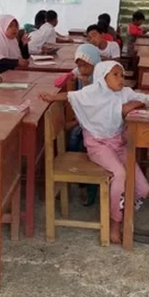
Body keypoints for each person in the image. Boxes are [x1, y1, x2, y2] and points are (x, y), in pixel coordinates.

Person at [41, 61, 149, 244]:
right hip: (97, 145)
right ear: (102, 77)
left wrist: (129, 106)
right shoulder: (92, 93)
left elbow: (143, 97)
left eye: (122, 75)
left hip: (118, 143)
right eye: (115, 75)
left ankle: (121, 210)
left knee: (143, 189)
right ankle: (115, 223)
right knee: (120, 174)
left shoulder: (124, 93)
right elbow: (70, 96)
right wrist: (52, 97)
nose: (120, 79)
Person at [53, 43, 103, 206]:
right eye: (79, 65)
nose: (82, 69)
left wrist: (86, 84)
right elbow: (58, 82)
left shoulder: (100, 79)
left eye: (86, 65)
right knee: (73, 140)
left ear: (95, 63)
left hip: (99, 125)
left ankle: (88, 188)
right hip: (84, 121)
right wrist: (70, 75)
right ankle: (72, 179)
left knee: (82, 144)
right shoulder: (83, 73)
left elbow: (93, 103)